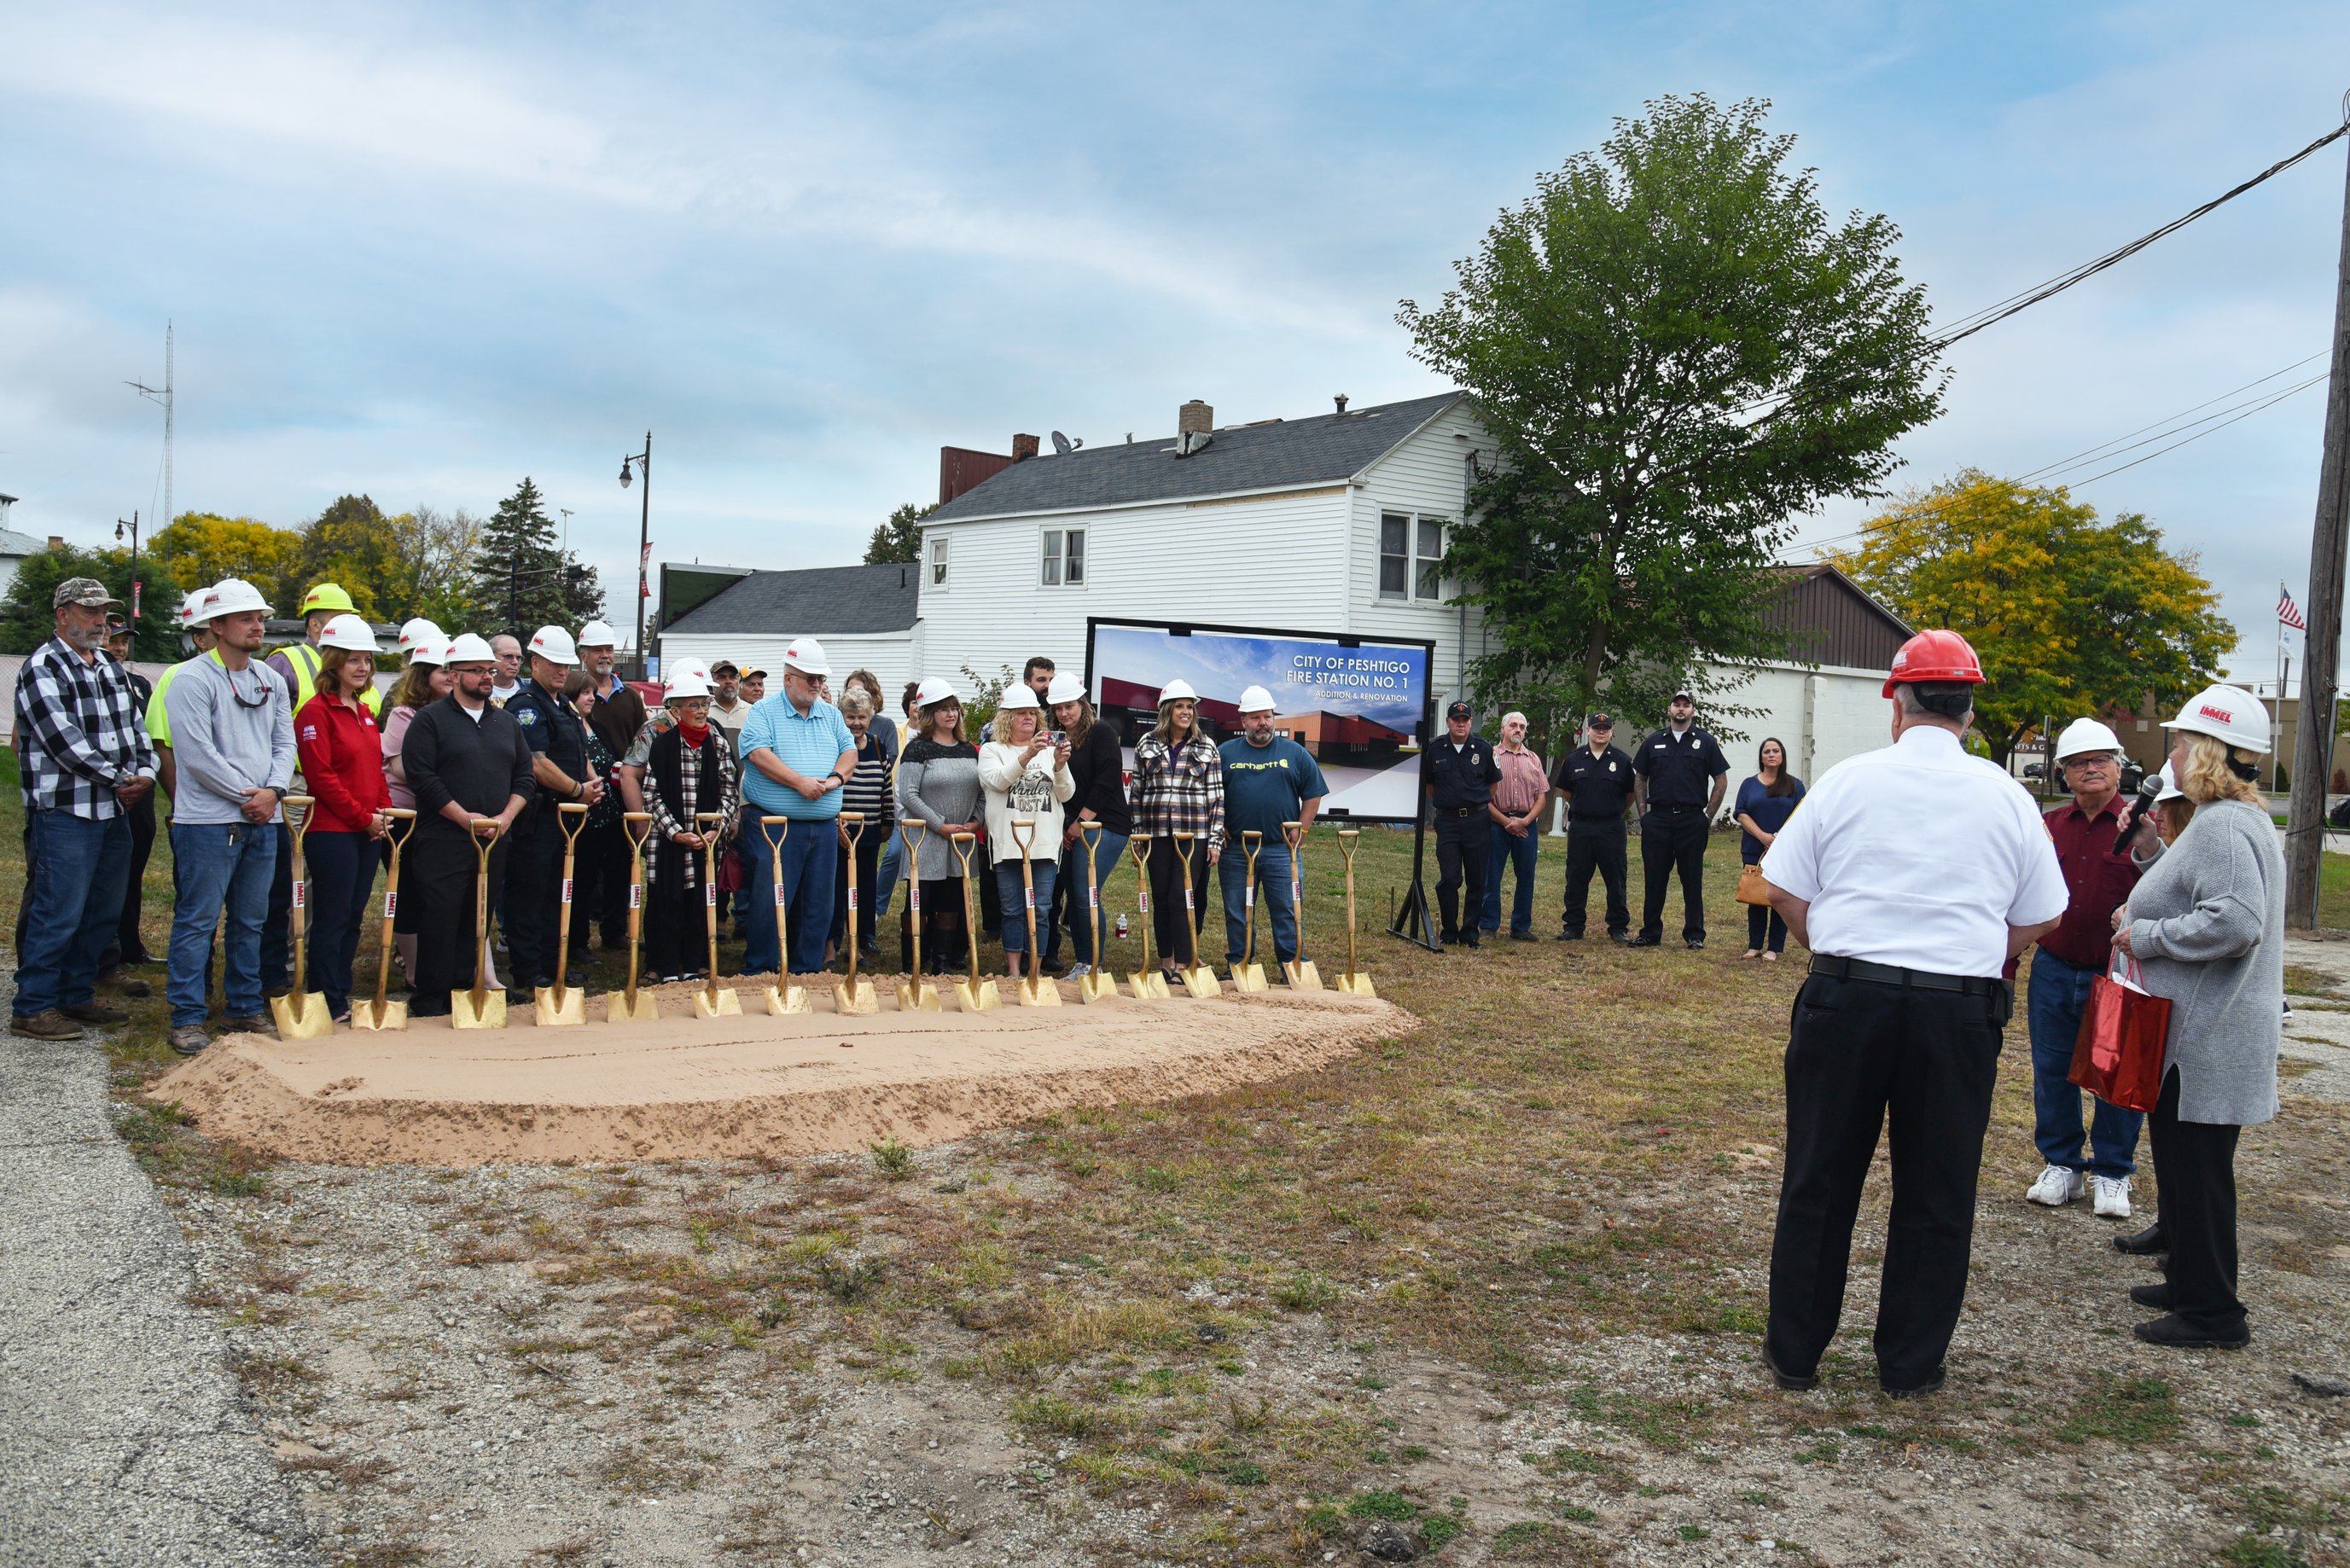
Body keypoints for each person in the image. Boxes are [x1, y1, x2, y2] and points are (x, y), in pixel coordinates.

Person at [1758, 630, 2067, 1397]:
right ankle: (1909, 1362)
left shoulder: (1846, 781)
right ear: (1968, 709)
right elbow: (2045, 914)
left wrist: (1829, 944)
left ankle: (1796, 1354)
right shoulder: (2008, 796)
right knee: (1937, 1188)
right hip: (1954, 1011)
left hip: (1847, 996)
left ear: (1897, 703)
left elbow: (1784, 887)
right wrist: (1985, 949)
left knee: (1820, 1177)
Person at [2108, 686, 2283, 1350]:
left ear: (2204, 751)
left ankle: (2213, 1313)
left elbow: (2237, 921)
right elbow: (2196, 890)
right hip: (2197, 1031)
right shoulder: (2222, 821)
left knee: (2201, 1174)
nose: (2172, 754)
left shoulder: (2228, 826)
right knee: (2185, 1166)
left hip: (2208, 1036)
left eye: (2180, 743)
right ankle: (2187, 1276)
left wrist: (2146, 937)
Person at [10, 578, 157, 1041]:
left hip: (112, 811)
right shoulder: (42, 667)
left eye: (104, 614)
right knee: (58, 911)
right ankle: (32, 1007)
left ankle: (74, 996)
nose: (100, 622)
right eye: (89, 612)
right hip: (65, 813)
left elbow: (136, 728)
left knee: (102, 910)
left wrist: (147, 772)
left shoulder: (108, 669)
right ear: (62, 615)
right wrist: (122, 779)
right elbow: (63, 743)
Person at [2015, 717, 2148, 1220]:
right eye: (2078, 763)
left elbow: (2166, 886)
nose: (2090, 769)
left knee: (2116, 1074)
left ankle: (2113, 1172)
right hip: (2054, 965)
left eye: (2100, 761)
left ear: (2118, 768)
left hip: (2116, 971)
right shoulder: (2048, 826)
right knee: (2053, 1071)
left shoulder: (2140, 826)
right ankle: (2062, 1165)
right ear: (2063, 773)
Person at [161, 580, 297, 1054]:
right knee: (198, 921)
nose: (257, 625)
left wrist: (275, 791)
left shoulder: (271, 680)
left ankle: (243, 1006)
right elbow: (197, 755)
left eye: (260, 617)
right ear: (216, 627)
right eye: (246, 618)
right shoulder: (191, 680)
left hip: (263, 820)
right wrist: (250, 796)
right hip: (207, 822)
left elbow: (285, 744)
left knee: (252, 921)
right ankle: (187, 1015)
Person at [399, 634, 534, 1018]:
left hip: (494, 839)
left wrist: (505, 818)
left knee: (478, 916)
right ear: (453, 675)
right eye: (477, 671)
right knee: (441, 916)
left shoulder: (505, 723)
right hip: (444, 837)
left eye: (489, 670)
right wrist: (464, 818)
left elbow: (524, 776)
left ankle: (466, 991)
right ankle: (431, 1000)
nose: (486, 677)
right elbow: (422, 777)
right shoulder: (430, 721)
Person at [291, 614, 391, 1022]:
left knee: (353, 915)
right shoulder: (316, 713)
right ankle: (323, 997)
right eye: (353, 660)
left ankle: (340, 993)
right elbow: (321, 777)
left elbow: (374, 768)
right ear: (332, 662)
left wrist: (383, 813)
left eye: (366, 660)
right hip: (333, 830)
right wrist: (362, 817)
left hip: (368, 828)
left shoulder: (365, 711)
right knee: (332, 915)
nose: (362, 667)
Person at [736, 638, 857, 976]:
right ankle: (761, 967)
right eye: (810, 678)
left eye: (820, 678)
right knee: (771, 898)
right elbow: (758, 754)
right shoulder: (764, 711)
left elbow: (850, 752)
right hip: (775, 823)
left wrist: (834, 779)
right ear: (789, 678)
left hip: (821, 825)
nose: (817, 684)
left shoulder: (831, 715)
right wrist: (799, 782)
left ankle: (808, 969)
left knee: (819, 901)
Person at [500, 626, 606, 991]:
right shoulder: (527, 705)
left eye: (566, 665)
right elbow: (536, 762)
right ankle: (528, 970)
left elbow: (579, 752)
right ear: (535, 663)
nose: (562, 671)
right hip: (538, 816)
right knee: (529, 895)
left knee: (556, 893)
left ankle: (551, 962)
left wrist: (591, 784)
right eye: (554, 664)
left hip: (566, 816)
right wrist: (578, 788)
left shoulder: (563, 705)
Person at [1213, 686, 1328, 977]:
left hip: (1280, 849)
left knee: (1287, 908)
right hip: (1238, 850)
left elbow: (1313, 794)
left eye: (1267, 716)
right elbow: (1211, 795)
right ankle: (1240, 962)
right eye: (1255, 718)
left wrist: (1302, 828)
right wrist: (1220, 825)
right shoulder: (1225, 753)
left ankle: (1291, 963)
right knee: (1239, 910)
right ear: (1243, 721)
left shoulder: (1295, 753)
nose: (1263, 723)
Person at [639, 670, 740, 983]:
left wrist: (715, 828)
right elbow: (651, 795)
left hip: (707, 841)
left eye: (704, 705)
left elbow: (729, 791)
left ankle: (696, 963)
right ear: (675, 709)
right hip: (668, 842)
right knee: (665, 901)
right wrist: (676, 832)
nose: (700, 712)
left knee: (700, 901)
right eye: (692, 705)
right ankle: (663, 966)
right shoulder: (662, 745)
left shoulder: (718, 746)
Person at [1131, 680, 1224, 985]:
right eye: (1180, 706)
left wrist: (1215, 841)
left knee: (1181, 896)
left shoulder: (1206, 746)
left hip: (1193, 834)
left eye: (1190, 707)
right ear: (1167, 710)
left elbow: (1216, 797)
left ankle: (1185, 962)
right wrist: (1138, 836)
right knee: (1160, 897)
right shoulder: (1146, 743)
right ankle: (1166, 962)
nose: (1186, 712)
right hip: (1156, 832)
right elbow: (1137, 792)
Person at [979, 686, 1074, 985]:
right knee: (1012, 909)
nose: (1029, 718)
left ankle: (1036, 968)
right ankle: (1014, 970)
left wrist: (1059, 766)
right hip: (1009, 842)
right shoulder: (992, 750)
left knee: (1043, 908)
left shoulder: (1050, 752)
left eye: (1033, 712)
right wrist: (1026, 755)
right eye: (1021, 713)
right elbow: (996, 782)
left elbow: (1066, 793)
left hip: (1044, 843)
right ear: (1007, 718)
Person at [895, 677, 982, 974]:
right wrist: (940, 825)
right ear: (930, 714)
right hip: (926, 839)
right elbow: (907, 793)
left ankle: (942, 963)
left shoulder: (969, 750)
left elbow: (982, 792)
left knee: (951, 901)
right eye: (943, 709)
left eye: (954, 708)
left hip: (961, 839)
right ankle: (913, 963)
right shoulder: (918, 749)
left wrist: (975, 822)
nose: (951, 714)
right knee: (920, 901)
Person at [1632, 691, 1730, 949]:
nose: (1681, 709)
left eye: (1687, 705)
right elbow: (1640, 778)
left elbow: (1721, 780)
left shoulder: (1705, 742)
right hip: (1658, 820)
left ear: (1693, 711)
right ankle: (1650, 933)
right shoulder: (1653, 742)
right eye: (1677, 704)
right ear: (1669, 709)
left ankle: (1694, 935)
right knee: (1654, 879)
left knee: (1692, 879)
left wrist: (1708, 815)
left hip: (1691, 821)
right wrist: (1644, 815)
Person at [381, 636, 453, 987]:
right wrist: (448, 776)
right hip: (406, 818)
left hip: (444, 818)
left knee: (437, 895)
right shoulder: (403, 715)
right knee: (408, 893)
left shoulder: (459, 715)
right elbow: (399, 768)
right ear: (424, 676)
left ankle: (440, 965)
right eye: (442, 670)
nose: (450, 676)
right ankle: (412, 972)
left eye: (453, 669)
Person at [1048, 673, 1130, 979]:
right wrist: (1069, 824)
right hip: (1074, 826)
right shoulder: (1058, 740)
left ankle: (1093, 963)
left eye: (1069, 706)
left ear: (1082, 704)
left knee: (1086, 892)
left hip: (1106, 824)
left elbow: (1107, 782)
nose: (1064, 713)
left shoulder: (1101, 732)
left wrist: (1081, 822)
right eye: (1058, 708)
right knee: (1074, 892)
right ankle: (1083, 962)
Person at [573, 620, 646, 954]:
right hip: (586, 795)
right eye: (598, 650)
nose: (605, 656)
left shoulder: (630, 696)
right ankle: (577, 937)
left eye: (609, 650)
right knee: (584, 868)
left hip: (623, 793)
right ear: (583, 654)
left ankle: (614, 931)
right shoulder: (574, 695)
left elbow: (642, 740)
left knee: (621, 865)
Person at [102, 621, 160, 970]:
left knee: (132, 870)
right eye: (113, 639)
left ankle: (129, 944)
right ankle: (99, 953)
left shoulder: (139, 685)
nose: (119, 647)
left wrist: (146, 776)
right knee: (102, 877)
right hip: (104, 792)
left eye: (123, 641)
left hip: (140, 792)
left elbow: (148, 738)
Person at [1422, 700, 1502, 949]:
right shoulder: (1436, 749)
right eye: (1456, 720)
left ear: (1470, 723)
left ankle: (1470, 932)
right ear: (1448, 722)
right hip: (1447, 821)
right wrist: (1451, 803)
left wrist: (1473, 804)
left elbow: (1492, 784)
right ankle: (1449, 930)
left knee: (1476, 879)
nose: (1461, 724)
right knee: (1449, 878)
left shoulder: (1483, 749)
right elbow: (1431, 786)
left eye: (1465, 720)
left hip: (1478, 821)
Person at [1553, 713, 1636, 942]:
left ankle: (1618, 927)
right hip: (1581, 827)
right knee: (1576, 877)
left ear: (1611, 732)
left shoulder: (1622, 760)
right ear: (1587, 730)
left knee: (1616, 878)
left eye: (1605, 728)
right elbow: (1567, 792)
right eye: (1596, 728)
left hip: (1611, 827)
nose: (1601, 732)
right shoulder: (1574, 759)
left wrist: (1612, 809)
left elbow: (1630, 795)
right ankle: (1573, 926)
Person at [829, 686, 897, 964]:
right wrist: (835, 823)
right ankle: (831, 943)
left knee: (864, 889)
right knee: (837, 890)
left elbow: (886, 787)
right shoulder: (835, 746)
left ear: (870, 718)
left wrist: (888, 821)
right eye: (850, 717)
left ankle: (860, 942)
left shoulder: (878, 745)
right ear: (841, 716)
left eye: (862, 717)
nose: (856, 723)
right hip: (840, 832)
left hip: (869, 831)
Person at [563, 665, 625, 966]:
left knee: (617, 875)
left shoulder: (596, 725)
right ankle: (576, 941)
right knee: (583, 881)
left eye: (592, 692)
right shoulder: (567, 727)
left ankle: (614, 932)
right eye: (585, 693)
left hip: (610, 813)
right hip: (583, 817)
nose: (592, 697)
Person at [1478, 711, 1547, 942]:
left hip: (1527, 825)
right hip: (1497, 824)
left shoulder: (1533, 759)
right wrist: (1507, 822)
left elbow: (1541, 797)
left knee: (1526, 876)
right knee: (1492, 875)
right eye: (1514, 726)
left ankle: (1520, 927)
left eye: (1522, 727)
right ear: (1503, 729)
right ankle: (1488, 925)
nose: (1518, 730)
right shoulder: (1491, 756)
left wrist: (1525, 821)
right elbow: (1483, 797)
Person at [1735, 738, 1806, 961]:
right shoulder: (1749, 784)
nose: (1771, 755)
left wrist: (1780, 840)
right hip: (1755, 848)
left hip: (1785, 850)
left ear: (1782, 755)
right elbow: (1741, 813)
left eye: (1776, 751)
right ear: (1761, 757)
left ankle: (1775, 947)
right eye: (1767, 751)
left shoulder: (1795, 785)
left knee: (1778, 897)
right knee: (1755, 895)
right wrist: (1763, 836)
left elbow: (1802, 816)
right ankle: (1754, 945)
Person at [707, 660, 752, 735]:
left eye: (733, 677)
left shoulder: (752, 711)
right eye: (722, 677)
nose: (728, 681)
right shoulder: (704, 711)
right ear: (711, 682)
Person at [488, 634, 524, 706]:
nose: (515, 662)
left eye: (518, 658)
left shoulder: (531, 691)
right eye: (508, 656)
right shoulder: (476, 690)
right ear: (492, 657)